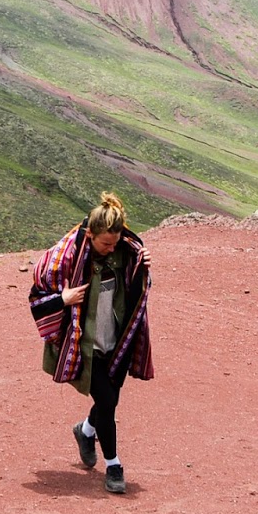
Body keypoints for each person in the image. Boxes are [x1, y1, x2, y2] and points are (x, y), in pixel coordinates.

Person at [28, 192, 153, 493]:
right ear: (90, 235)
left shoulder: (124, 252)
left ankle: (85, 432)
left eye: (115, 242)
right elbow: (37, 298)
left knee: (110, 397)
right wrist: (64, 298)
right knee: (108, 402)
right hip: (85, 344)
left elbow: (136, 292)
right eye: (105, 244)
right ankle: (113, 466)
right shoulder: (68, 257)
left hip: (117, 340)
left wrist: (142, 265)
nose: (111, 249)